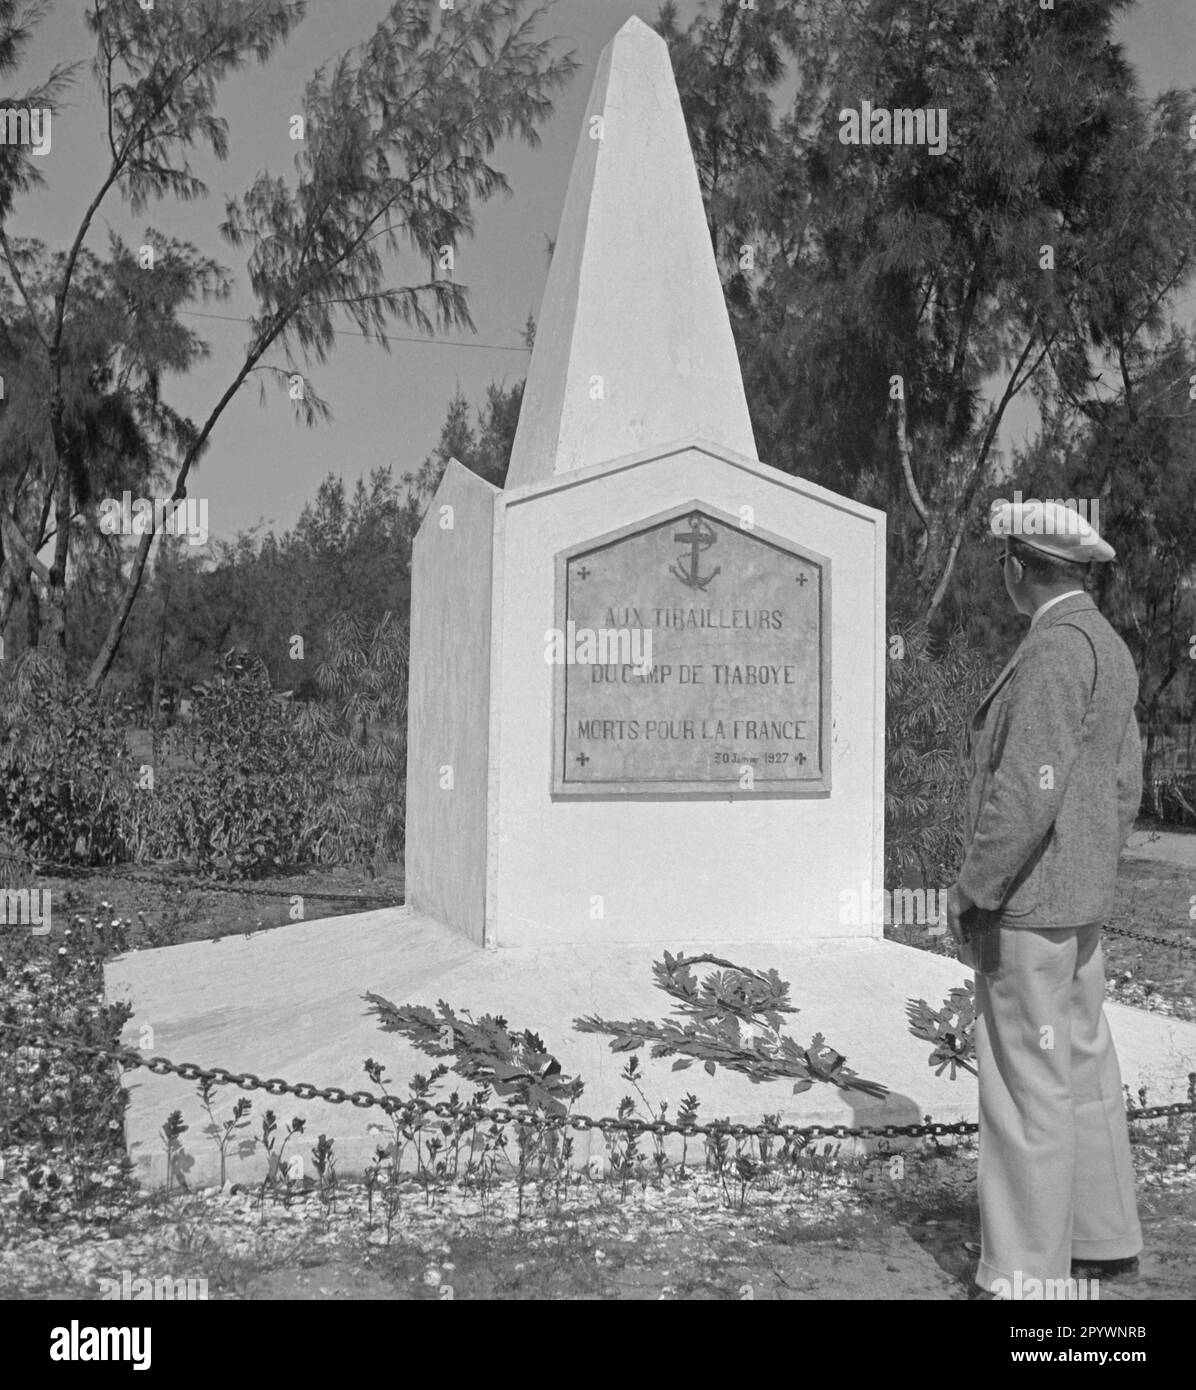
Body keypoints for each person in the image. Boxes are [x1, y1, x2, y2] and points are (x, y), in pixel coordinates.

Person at [945, 498, 1143, 1300]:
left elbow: (1026, 791)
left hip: (1028, 902)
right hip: (1079, 899)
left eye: (1003, 567)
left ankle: (1025, 1272)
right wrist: (1092, 868)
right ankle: (1100, 1239)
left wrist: (973, 887)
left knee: (1028, 1083)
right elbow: (1126, 780)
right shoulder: (1110, 647)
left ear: (1019, 568)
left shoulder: (1054, 649)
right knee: (1084, 1068)